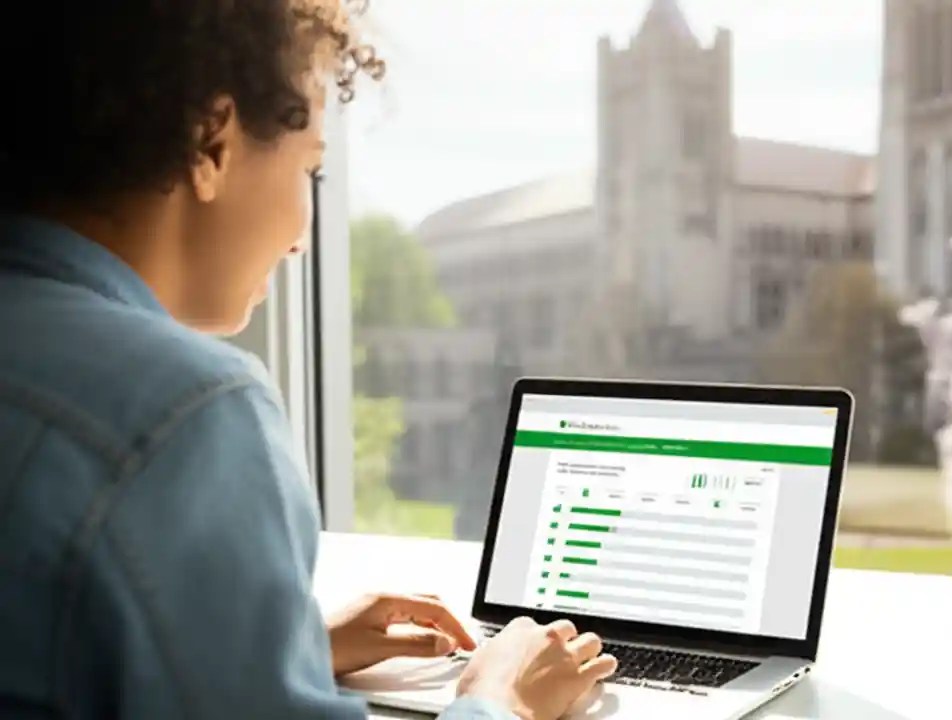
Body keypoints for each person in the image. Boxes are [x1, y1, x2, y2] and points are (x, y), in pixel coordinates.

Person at [0, 1, 615, 718]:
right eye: (310, 170)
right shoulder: (182, 417)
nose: (301, 238)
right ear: (210, 143)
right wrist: (501, 699)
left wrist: (277, 651)